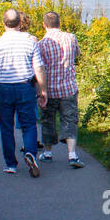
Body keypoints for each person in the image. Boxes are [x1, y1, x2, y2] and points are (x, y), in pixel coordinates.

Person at [0, 8, 48, 176]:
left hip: (4, 88)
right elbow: (39, 68)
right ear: (20, 22)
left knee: (6, 127)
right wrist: (42, 91)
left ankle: (11, 164)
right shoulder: (30, 42)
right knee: (29, 124)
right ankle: (30, 153)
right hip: (25, 87)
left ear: (3, 23)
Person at [35, 10, 84, 168]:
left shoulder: (41, 44)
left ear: (44, 25)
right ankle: (72, 155)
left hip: (49, 89)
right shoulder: (71, 37)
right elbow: (77, 54)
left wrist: (39, 91)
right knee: (70, 120)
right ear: (60, 23)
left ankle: (48, 153)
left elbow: (39, 67)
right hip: (68, 87)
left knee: (48, 121)